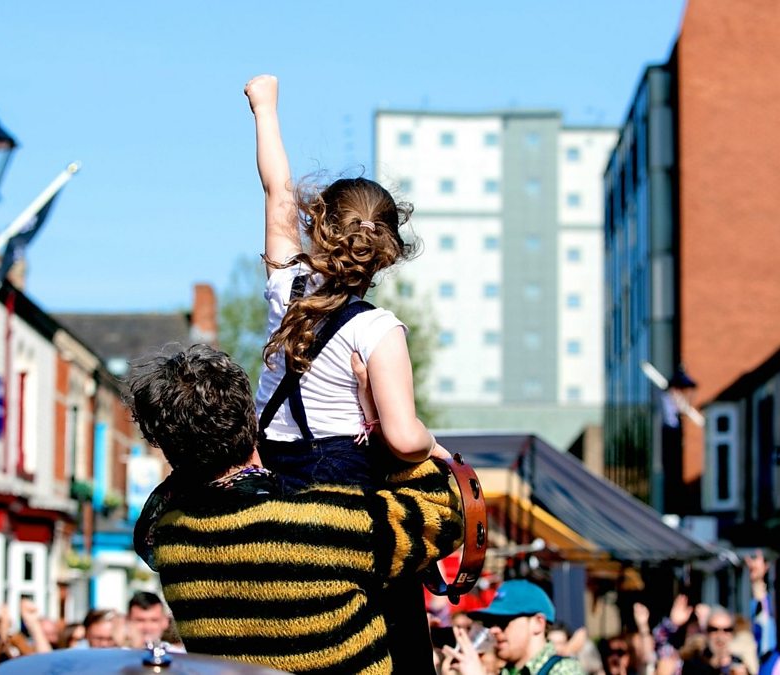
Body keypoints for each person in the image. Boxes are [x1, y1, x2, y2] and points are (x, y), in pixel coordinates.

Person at [246, 72, 450, 673]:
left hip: (276, 476)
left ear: (320, 226)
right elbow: (403, 437)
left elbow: (276, 191)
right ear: (386, 248)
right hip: (345, 488)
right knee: (396, 630)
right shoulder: (377, 329)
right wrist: (440, 448)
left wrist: (266, 106)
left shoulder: (285, 287)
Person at [128, 344, 463, 674]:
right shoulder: (325, 524)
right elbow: (447, 513)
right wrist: (381, 423)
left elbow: (166, 499)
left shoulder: (169, 539)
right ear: (252, 421)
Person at [444, 579, 586, 675]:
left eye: (503, 621)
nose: (493, 630)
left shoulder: (565, 670)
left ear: (538, 623)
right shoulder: (506, 671)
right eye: (490, 623)